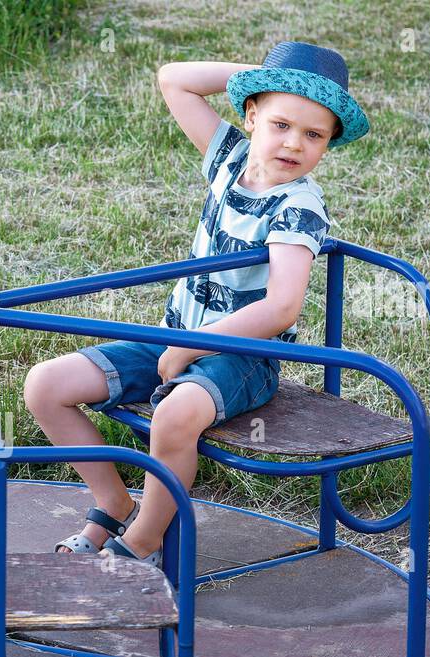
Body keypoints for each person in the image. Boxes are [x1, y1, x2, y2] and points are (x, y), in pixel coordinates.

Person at [23, 41, 369, 565]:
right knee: (46, 386)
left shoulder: (299, 207)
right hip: (175, 336)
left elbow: (281, 309)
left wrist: (190, 350)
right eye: (280, 123)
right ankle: (113, 501)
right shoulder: (229, 157)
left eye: (313, 134)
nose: (293, 143)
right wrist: (260, 77)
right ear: (250, 117)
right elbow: (173, 78)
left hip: (243, 358)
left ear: (326, 145)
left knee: (174, 415)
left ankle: (143, 540)